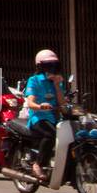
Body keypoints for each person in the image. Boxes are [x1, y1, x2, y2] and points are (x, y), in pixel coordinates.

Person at [23, 49, 66, 180]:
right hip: (38, 118)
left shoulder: (57, 81)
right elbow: (30, 102)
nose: (52, 69)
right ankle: (38, 164)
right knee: (50, 135)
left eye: (54, 65)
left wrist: (57, 85)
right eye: (49, 66)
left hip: (54, 118)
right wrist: (40, 106)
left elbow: (62, 103)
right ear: (41, 67)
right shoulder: (34, 80)